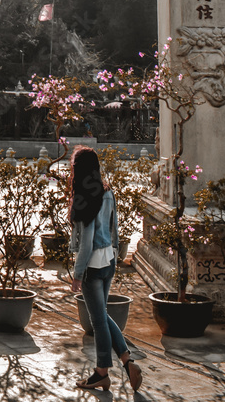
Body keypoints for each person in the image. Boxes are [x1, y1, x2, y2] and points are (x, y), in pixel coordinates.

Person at [69, 146, 142, 393]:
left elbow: (86, 241)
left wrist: (78, 275)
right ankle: (126, 360)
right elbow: (115, 229)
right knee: (101, 315)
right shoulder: (108, 192)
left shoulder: (83, 198)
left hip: (91, 267)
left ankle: (101, 373)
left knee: (98, 320)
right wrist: (115, 256)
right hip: (109, 260)